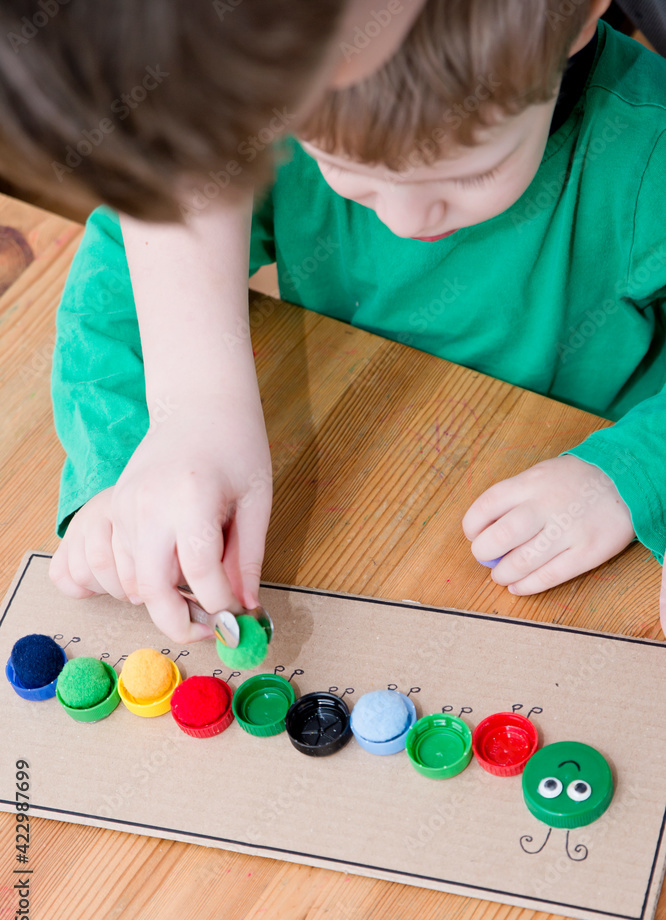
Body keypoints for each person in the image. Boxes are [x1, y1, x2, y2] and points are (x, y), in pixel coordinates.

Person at [50, 0, 666, 641]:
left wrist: (632, 472)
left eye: (471, 170)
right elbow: (121, 268)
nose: (404, 219)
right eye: (346, 169)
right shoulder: (284, 100)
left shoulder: (647, 146)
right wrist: (120, 468)